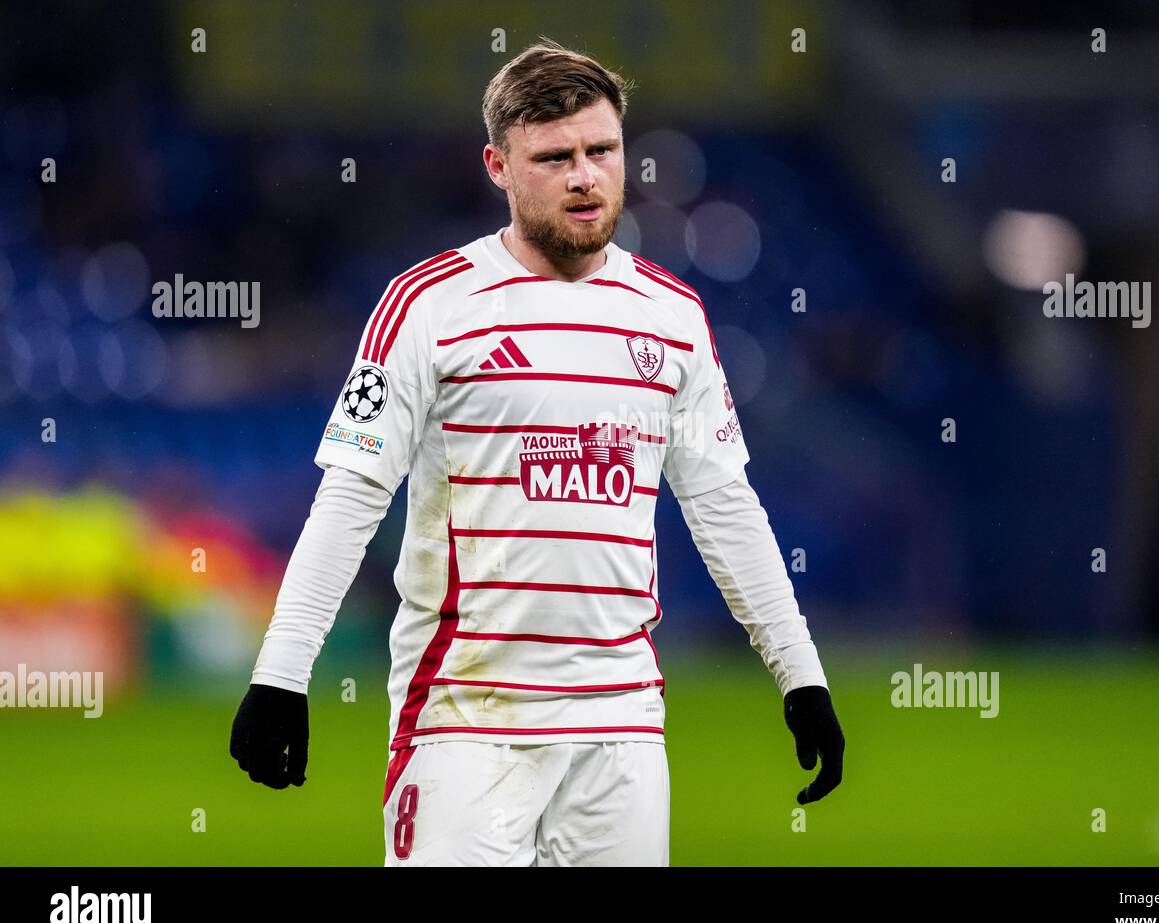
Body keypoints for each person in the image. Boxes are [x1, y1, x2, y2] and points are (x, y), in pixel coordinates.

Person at [230, 38, 843, 866]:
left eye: (602, 151)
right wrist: (281, 675)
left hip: (623, 732)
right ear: (499, 166)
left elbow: (725, 507)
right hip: (465, 725)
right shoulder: (427, 305)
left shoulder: (673, 316)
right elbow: (348, 498)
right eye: (554, 157)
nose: (586, 176)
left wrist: (801, 677)